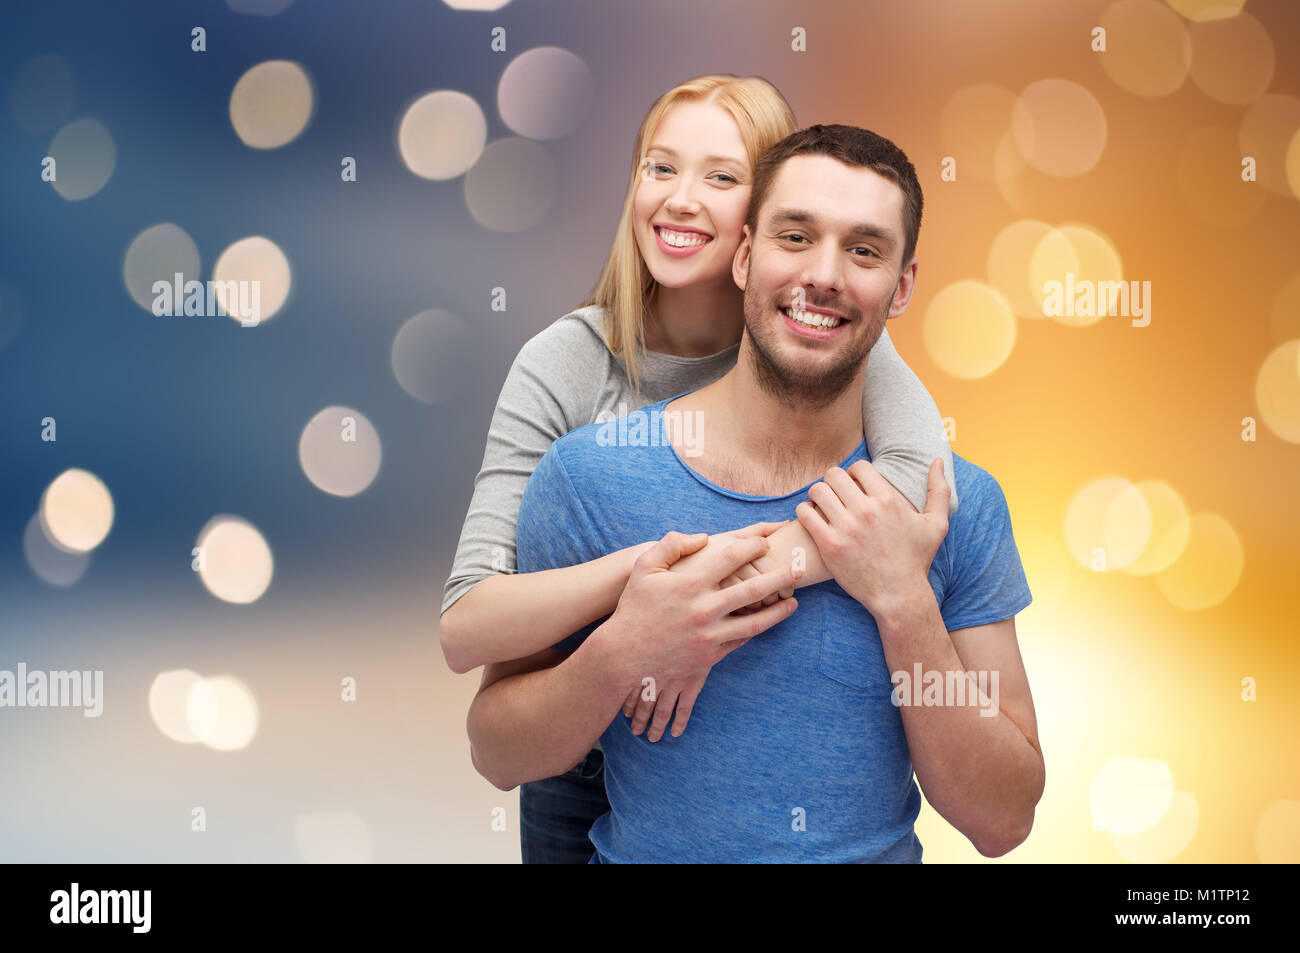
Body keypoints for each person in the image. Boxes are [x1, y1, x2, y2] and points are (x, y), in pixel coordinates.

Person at [466, 123, 1044, 863]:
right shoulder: (588, 480)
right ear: (744, 257)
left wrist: (904, 602)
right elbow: (498, 754)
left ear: (902, 287)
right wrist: (622, 652)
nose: (826, 275)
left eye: (864, 250)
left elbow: (1004, 819)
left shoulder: (951, 504)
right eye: (795, 237)